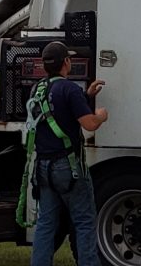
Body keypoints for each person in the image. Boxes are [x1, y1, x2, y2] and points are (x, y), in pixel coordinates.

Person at [30, 40, 108, 266]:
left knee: (46, 224)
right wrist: (101, 115)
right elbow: (90, 124)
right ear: (66, 62)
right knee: (84, 221)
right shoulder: (70, 89)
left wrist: (86, 96)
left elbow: (56, 110)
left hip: (43, 167)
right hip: (68, 167)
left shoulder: (38, 89)